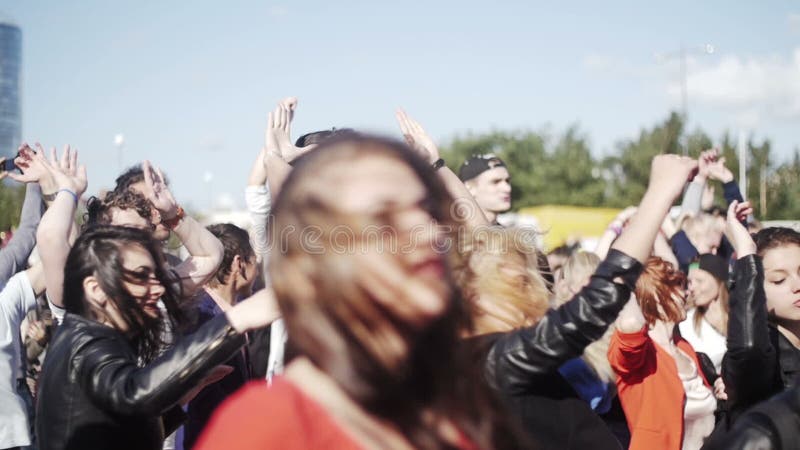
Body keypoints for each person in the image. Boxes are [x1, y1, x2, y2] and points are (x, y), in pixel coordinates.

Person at [196, 135, 529, 450]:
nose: (424, 232)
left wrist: (438, 165)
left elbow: (488, 245)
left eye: (427, 209)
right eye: (384, 216)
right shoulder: (267, 425)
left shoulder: (455, 394)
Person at [32, 147, 280, 450]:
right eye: (140, 276)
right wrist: (236, 321)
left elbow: (123, 428)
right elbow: (135, 394)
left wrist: (183, 395)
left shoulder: (111, 327)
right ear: (95, 288)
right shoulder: (86, 342)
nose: (157, 288)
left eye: (145, 231)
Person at [609, 257, 716, 450]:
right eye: (676, 285)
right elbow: (631, 323)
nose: (687, 291)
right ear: (656, 295)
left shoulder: (683, 346)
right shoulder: (637, 354)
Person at [182, 223, 262, 449]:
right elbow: (207, 402)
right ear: (240, 263)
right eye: (255, 260)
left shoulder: (230, 312)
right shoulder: (202, 317)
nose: (258, 270)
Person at [679, 254, 729, 375]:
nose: (691, 287)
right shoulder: (686, 323)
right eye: (690, 281)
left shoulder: (741, 315)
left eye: (700, 281)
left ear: (719, 280)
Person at [458, 154, 512, 224]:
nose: (508, 188)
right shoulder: (453, 232)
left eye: (507, 181)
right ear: (469, 188)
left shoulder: (508, 234)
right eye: (496, 182)